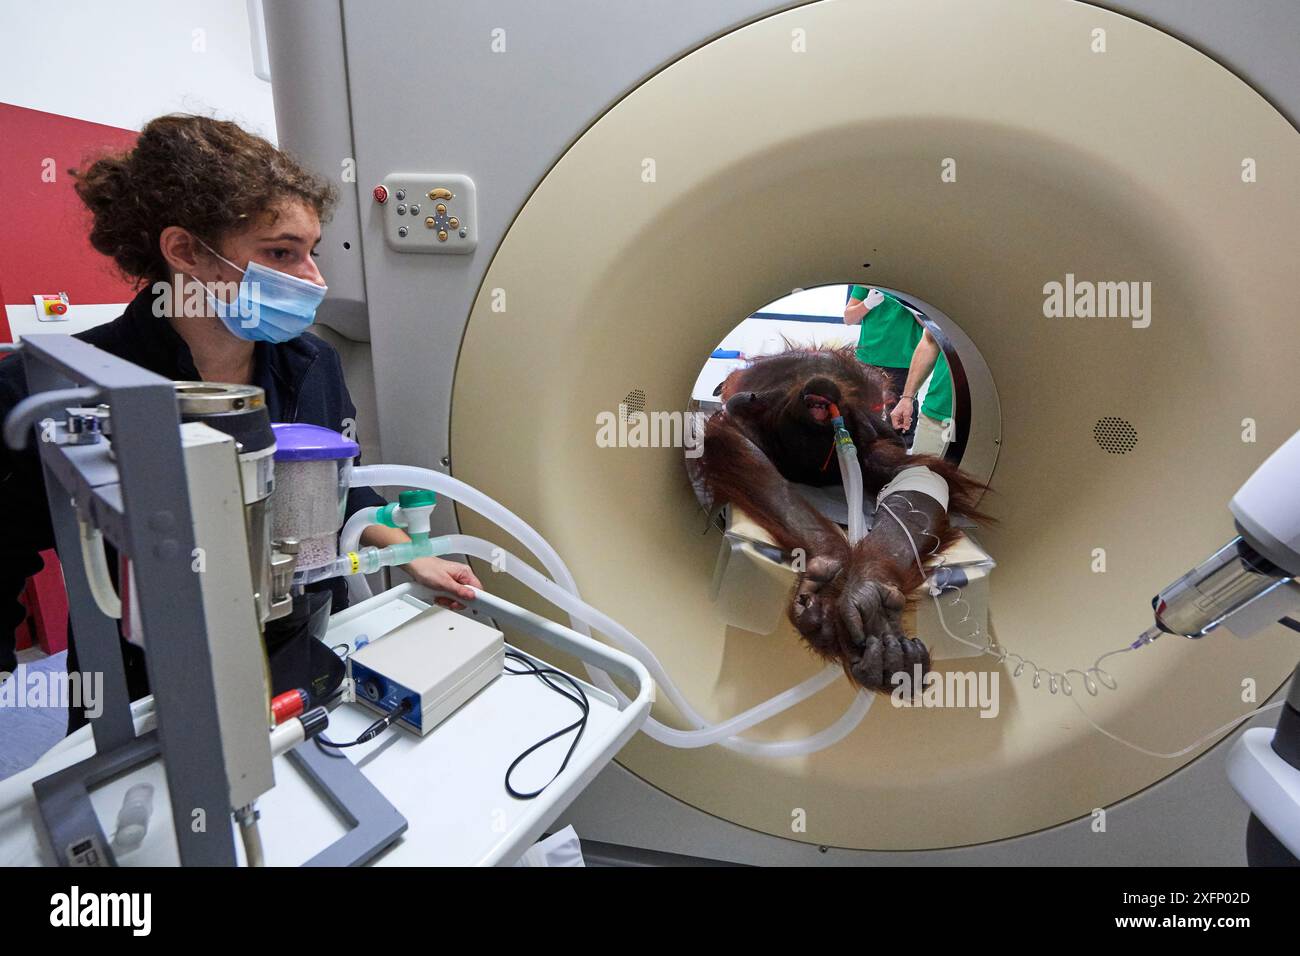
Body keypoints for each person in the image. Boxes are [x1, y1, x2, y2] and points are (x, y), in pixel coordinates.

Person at [0, 114, 481, 730]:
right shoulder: (66, 389)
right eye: (280, 253)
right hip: (148, 673)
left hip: (303, 635)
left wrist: (412, 553)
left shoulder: (313, 365)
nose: (313, 280)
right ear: (184, 252)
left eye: (311, 252)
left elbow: (342, 486)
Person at [842, 285, 922, 441]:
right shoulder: (869, 281)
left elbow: (931, 324)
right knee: (861, 417)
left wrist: (910, 303)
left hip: (905, 362)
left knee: (900, 427)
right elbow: (848, 318)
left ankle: (899, 458)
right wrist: (867, 303)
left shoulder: (917, 281)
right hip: (867, 359)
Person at [890, 327, 954, 457]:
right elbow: (930, 340)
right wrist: (907, 398)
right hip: (938, 414)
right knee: (923, 474)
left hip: (994, 422)